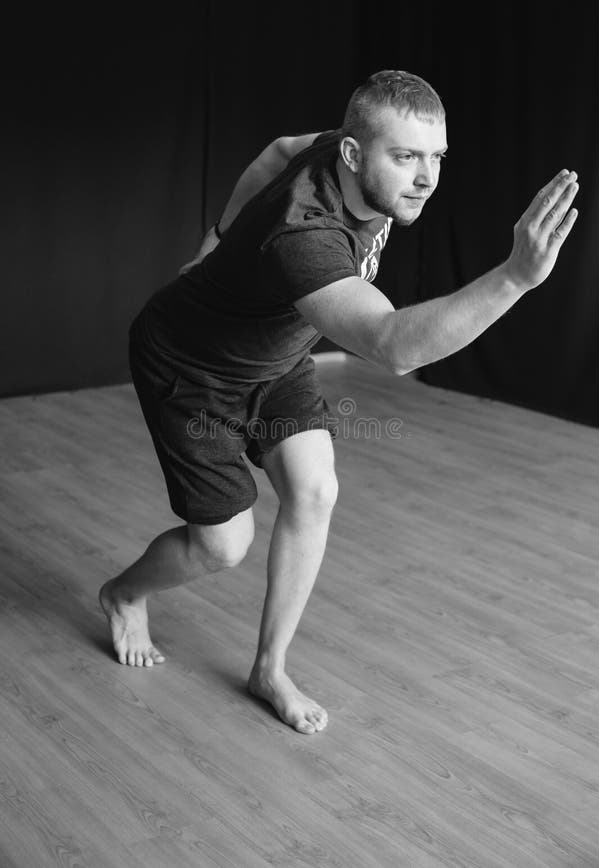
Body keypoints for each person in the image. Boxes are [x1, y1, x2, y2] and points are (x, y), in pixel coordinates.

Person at [99, 69, 579, 735]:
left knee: (315, 490)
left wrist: (213, 240)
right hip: (192, 367)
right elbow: (393, 346)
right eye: (405, 157)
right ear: (354, 155)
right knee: (223, 546)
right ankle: (124, 592)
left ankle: (269, 668)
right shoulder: (302, 236)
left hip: (275, 355)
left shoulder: (336, 146)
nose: (425, 178)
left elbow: (274, 148)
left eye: (435, 156)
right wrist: (514, 278)